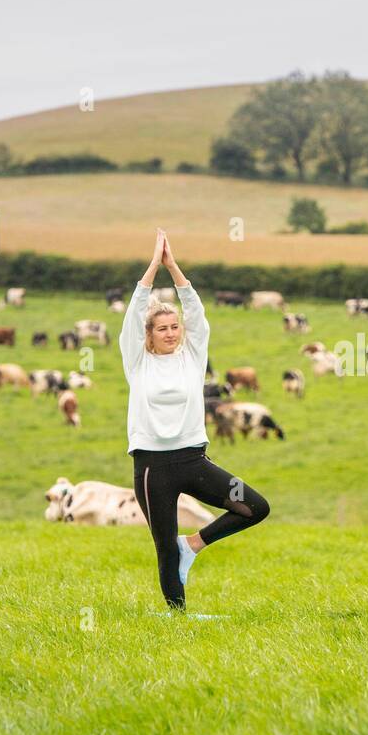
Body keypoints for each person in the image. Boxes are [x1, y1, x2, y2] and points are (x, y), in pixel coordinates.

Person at [122, 229, 270, 610]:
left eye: (175, 327)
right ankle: (178, 618)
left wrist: (175, 269)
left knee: (254, 507)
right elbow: (135, 309)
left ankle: (192, 545)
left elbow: (197, 313)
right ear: (149, 334)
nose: (171, 333)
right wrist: (154, 266)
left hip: (192, 461)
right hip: (153, 467)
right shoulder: (137, 362)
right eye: (162, 328)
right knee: (163, 549)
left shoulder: (192, 357)